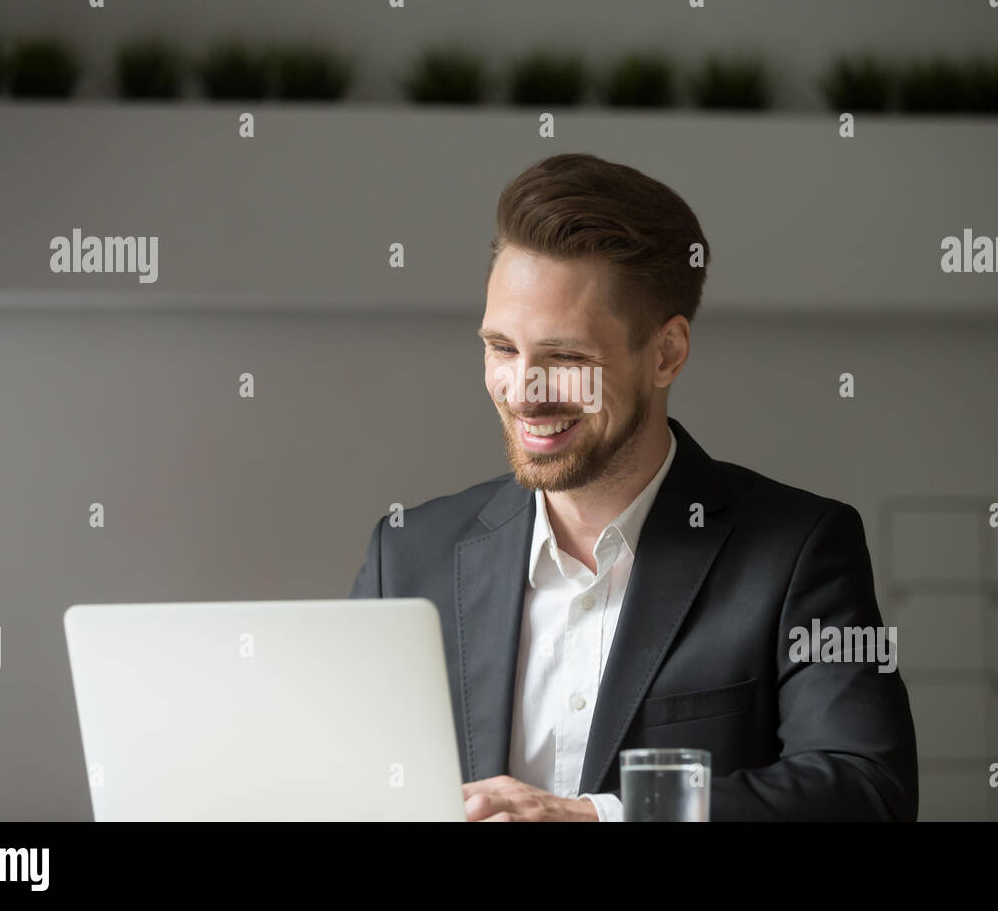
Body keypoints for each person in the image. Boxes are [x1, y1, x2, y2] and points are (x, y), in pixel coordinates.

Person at [350, 152, 917, 821]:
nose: (523, 393)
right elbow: (337, 783)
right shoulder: (408, 555)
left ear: (666, 353)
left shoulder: (799, 552)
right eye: (502, 347)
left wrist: (599, 818)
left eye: (565, 358)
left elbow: (865, 790)